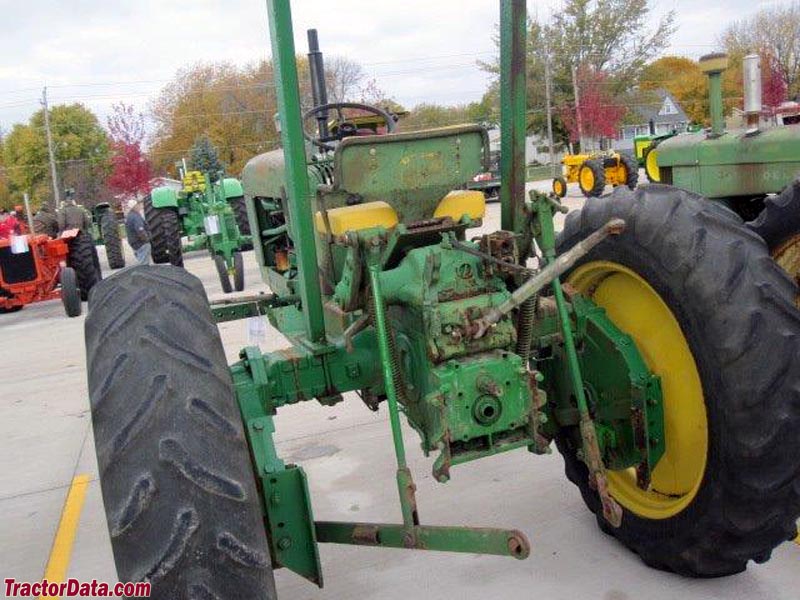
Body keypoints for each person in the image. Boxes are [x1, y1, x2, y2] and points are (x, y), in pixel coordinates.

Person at [125, 197, 151, 265]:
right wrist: (146, 240)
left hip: (134, 243)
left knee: (141, 262)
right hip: (141, 243)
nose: (140, 206)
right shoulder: (136, 217)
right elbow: (140, 230)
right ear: (135, 206)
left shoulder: (129, 216)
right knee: (143, 265)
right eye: (138, 205)